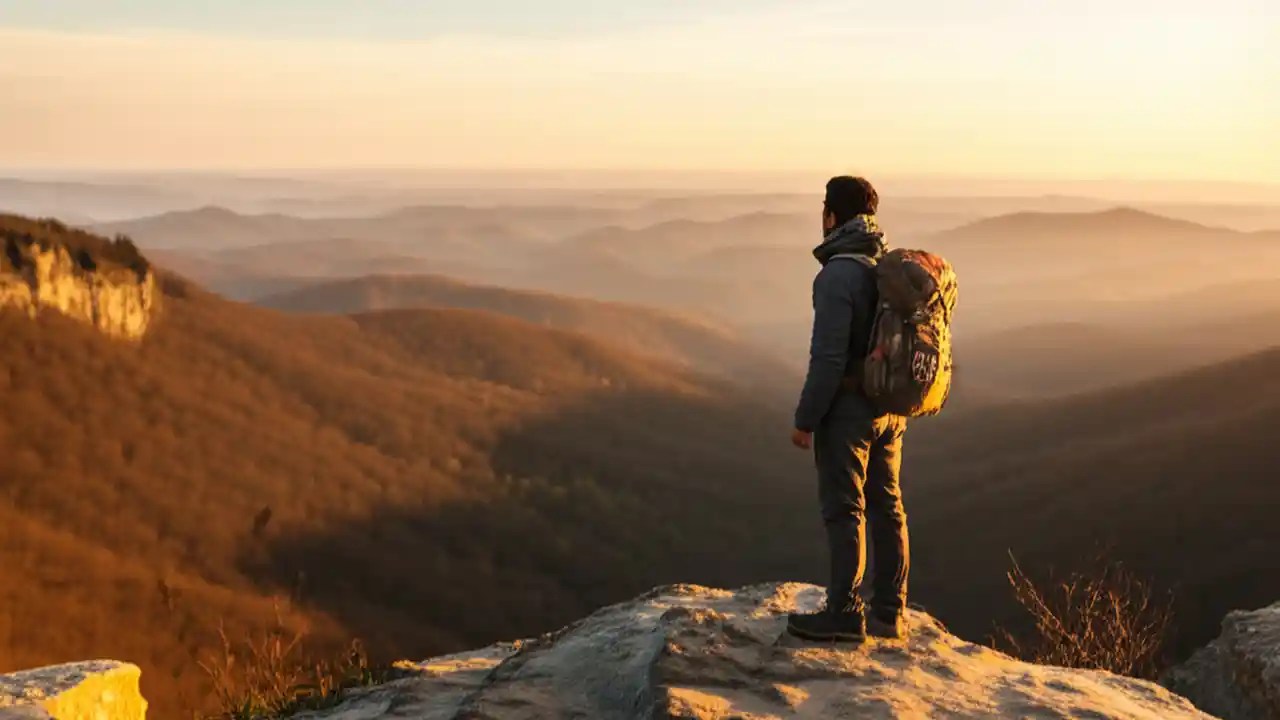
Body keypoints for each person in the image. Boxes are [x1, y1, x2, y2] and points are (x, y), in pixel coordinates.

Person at [786, 176, 910, 642]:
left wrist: (805, 420)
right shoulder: (887, 266)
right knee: (888, 507)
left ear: (831, 216)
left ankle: (843, 612)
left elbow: (829, 359)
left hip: (850, 412)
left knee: (844, 509)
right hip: (889, 408)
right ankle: (889, 613)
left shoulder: (837, 275)